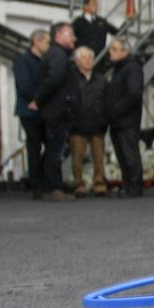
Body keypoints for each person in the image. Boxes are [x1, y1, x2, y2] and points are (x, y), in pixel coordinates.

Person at [33, 22, 78, 202]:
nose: (74, 38)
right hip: (57, 110)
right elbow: (54, 80)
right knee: (55, 150)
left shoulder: (53, 54)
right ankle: (54, 188)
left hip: (53, 109)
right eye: (70, 34)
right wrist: (40, 100)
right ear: (59, 35)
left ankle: (48, 185)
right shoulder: (58, 55)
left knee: (53, 149)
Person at [105, 38, 144, 198]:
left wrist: (116, 109)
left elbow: (134, 94)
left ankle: (135, 186)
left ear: (125, 51)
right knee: (122, 155)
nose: (110, 52)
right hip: (117, 120)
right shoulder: (118, 70)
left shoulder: (132, 69)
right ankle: (128, 184)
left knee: (129, 155)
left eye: (114, 49)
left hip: (127, 120)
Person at [14, 30, 50, 199]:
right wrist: (40, 99)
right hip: (29, 111)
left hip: (44, 110)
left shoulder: (44, 62)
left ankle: (41, 178)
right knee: (34, 148)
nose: (49, 46)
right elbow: (24, 86)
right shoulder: (23, 61)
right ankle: (36, 184)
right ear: (37, 41)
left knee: (53, 145)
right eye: (47, 43)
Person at [68, 46, 108, 198]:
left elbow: (106, 100)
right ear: (77, 61)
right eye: (84, 58)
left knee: (99, 157)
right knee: (77, 158)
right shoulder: (71, 80)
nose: (88, 60)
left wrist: (105, 118)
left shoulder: (101, 79)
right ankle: (78, 185)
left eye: (90, 57)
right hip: (77, 125)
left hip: (98, 124)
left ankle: (99, 184)